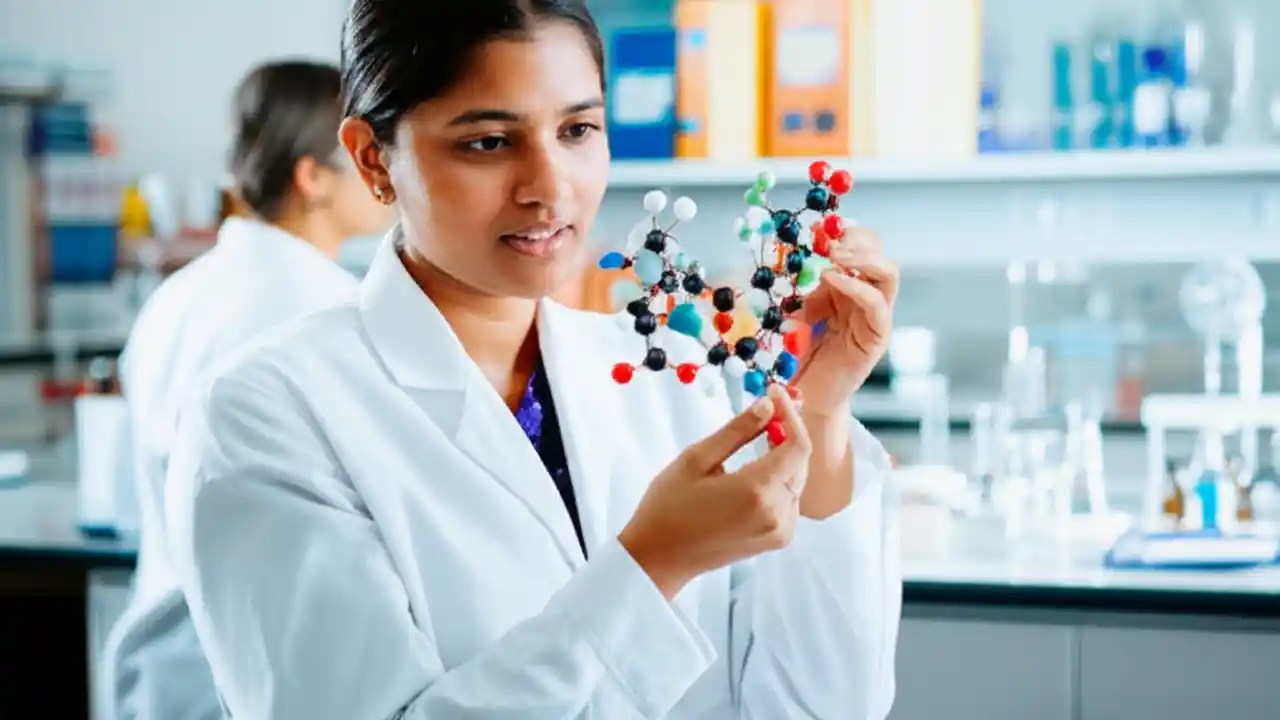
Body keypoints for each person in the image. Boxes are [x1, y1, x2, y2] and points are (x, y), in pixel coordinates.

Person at [164, 1, 902, 718]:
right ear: (371, 159)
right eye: (489, 142)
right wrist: (652, 565)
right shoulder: (269, 413)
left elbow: (823, 705)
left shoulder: (670, 372)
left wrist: (822, 415)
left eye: (578, 129)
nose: (550, 189)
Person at [103, 60, 391, 719]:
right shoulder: (326, 313)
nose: (387, 175)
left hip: (162, 658)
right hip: (247, 670)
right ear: (312, 176)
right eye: (368, 154)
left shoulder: (177, 296)